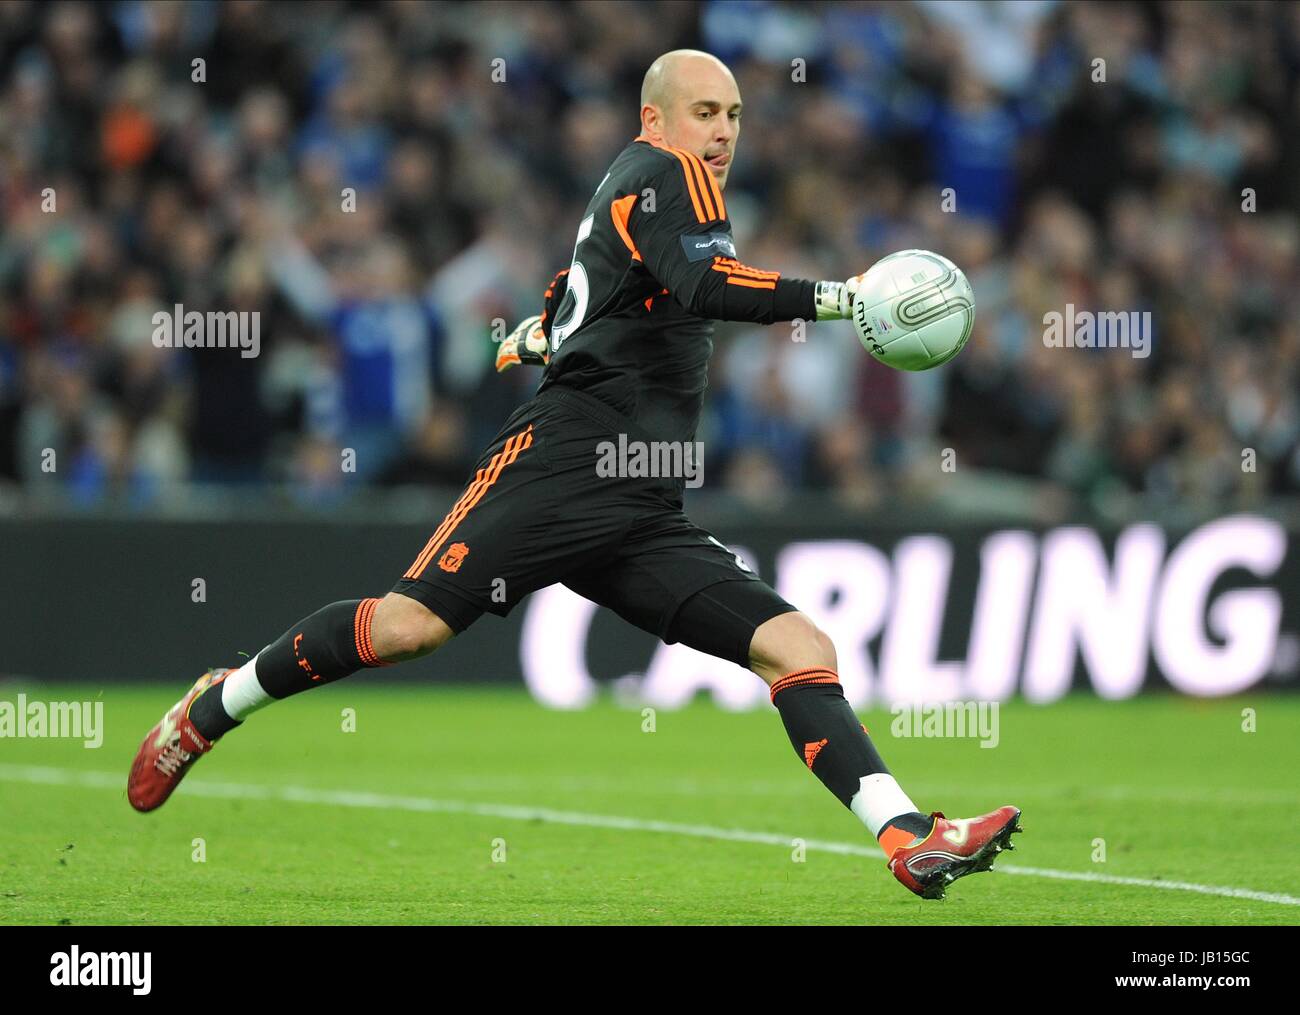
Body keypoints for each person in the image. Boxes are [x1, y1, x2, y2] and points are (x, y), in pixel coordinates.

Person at [128, 49, 1020, 900]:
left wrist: (543, 334)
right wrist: (841, 296)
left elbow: (588, 289)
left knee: (799, 647)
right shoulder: (669, 172)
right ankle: (216, 703)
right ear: (655, 119)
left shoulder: (638, 187)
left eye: (734, 114)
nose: (722, 131)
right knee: (407, 626)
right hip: (563, 460)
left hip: (642, 499)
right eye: (704, 111)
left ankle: (908, 836)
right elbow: (706, 287)